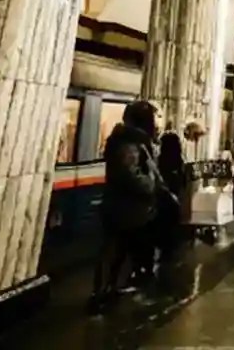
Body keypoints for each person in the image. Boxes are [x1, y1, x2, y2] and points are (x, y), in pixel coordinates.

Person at [90, 100, 167, 312]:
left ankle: (110, 290)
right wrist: (152, 183)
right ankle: (103, 294)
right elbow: (131, 175)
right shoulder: (129, 144)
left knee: (118, 253)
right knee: (115, 251)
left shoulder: (135, 141)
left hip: (130, 210)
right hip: (125, 210)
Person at [155, 131, 186, 264]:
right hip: (174, 199)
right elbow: (183, 181)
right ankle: (168, 253)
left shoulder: (161, 160)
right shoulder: (179, 161)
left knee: (161, 226)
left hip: (162, 198)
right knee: (170, 227)